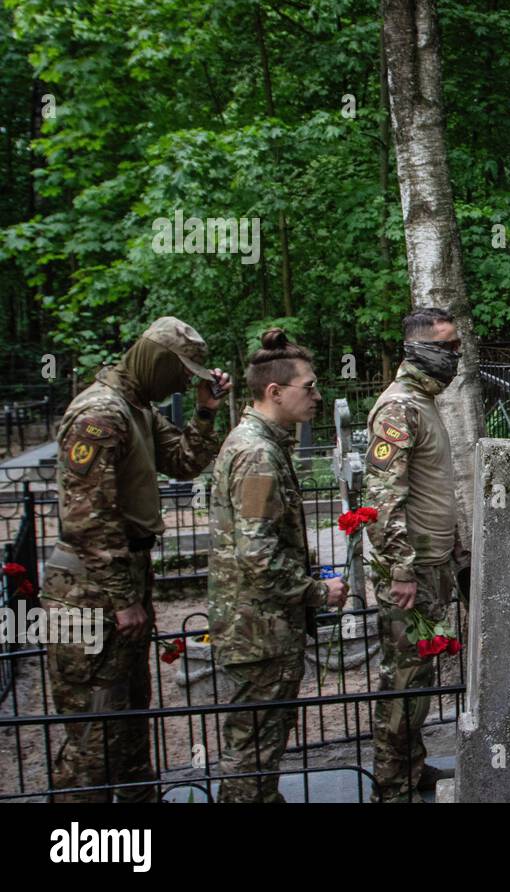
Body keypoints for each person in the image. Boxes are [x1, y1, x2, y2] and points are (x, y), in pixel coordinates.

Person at [42, 316, 229, 802]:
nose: (186, 380)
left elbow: (184, 462)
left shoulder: (137, 408)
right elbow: (87, 519)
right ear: (155, 361)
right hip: (89, 590)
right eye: (182, 370)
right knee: (94, 728)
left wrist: (206, 411)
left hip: (121, 576)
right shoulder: (100, 415)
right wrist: (125, 599)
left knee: (128, 718)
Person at [208, 329, 347, 801]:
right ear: (274, 391)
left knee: (259, 749)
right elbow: (257, 555)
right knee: (252, 753)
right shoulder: (258, 455)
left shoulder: (263, 443)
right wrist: (318, 593)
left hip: (262, 627)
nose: (317, 395)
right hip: (259, 632)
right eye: (307, 387)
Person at [363, 307, 470, 802]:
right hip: (412, 571)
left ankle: (411, 765)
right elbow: (383, 499)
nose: (456, 356)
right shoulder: (398, 407)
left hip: (432, 563)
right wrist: (402, 569)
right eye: (448, 347)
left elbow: (431, 487)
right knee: (403, 684)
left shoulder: (423, 402)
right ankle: (392, 786)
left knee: (418, 679)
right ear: (420, 349)